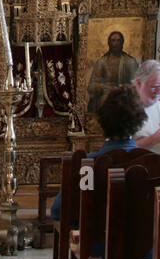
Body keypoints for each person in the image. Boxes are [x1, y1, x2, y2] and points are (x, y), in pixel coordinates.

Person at [50, 84, 146, 221]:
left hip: (95, 241)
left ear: (102, 122)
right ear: (139, 122)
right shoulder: (148, 163)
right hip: (139, 242)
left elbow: (59, 211)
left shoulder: (87, 166)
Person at [87, 31, 139, 111]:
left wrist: (120, 89)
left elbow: (136, 85)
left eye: (118, 41)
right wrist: (102, 87)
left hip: (124, 96)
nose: (115, 43)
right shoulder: (102, 62)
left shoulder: (130, 62)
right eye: (113, 40)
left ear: (122, 43)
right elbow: (92, 85)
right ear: (109, 43)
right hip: (105, 97)